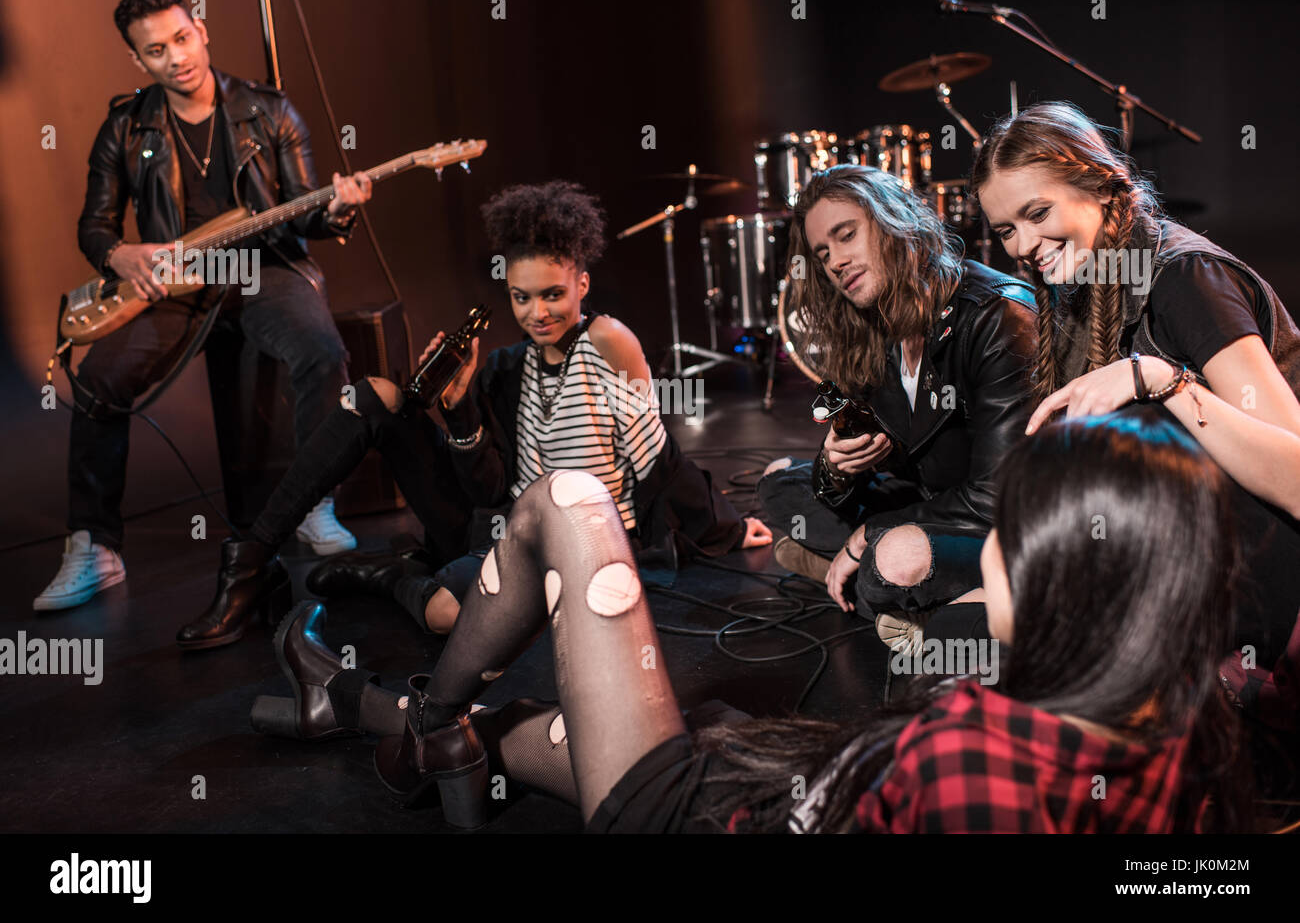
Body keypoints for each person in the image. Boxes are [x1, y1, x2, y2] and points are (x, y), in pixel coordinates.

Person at [255, 411, 1252, 832]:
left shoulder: (976, 771)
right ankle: (364, 709)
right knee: (516, 739)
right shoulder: (1188, 709)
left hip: (700, 816)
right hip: (779, 783)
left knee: (566, 503)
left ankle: (418, 709)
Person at [182, 180, 770, 650]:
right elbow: (489, 490)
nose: (537, 312)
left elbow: (655, 456)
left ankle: (385, 577)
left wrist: (727, 526)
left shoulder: (609, 340)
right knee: (375, 395)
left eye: (552, 294)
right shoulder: (506, 369)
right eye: (521, 297)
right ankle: (252, 560)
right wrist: (461, 406)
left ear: (582, 284)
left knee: (445, 616)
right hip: (504, 531)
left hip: (578, 546)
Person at [36, 0, 368, 613]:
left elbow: (305, 217)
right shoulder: (126, 127)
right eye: (156, 50)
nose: (177, 58)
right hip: (177, 283)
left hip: (263, 267)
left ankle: (313, 504)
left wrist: (340, 209)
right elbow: (94, 226)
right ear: (138, 61)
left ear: (203, 30)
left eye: (183, 38)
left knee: (323, 352)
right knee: (99, 380)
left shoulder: (270, 112)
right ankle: (94, 546)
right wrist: (123, 255)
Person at [970, 101, 1300, 696]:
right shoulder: (1080, 285)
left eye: (1036, 212)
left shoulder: (1184, 278)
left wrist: (1160, 380)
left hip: (1258, 589)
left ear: (1096, 184)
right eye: (1005, 230)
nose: (1022, 245)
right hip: (1172, 579)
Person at [755, 164, 1037, 644]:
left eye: (847, 236)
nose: (836, 261)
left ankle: (880, 586)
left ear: (894, 221)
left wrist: (868, 535)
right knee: (779, 482)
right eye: (823, 254)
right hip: (929, 508)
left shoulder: (997, 316)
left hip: (1005, 526)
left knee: (894, 556)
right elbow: (879, 472)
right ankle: (913, 598)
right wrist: (836, 470)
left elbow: (998, 497)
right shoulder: (870, 328)